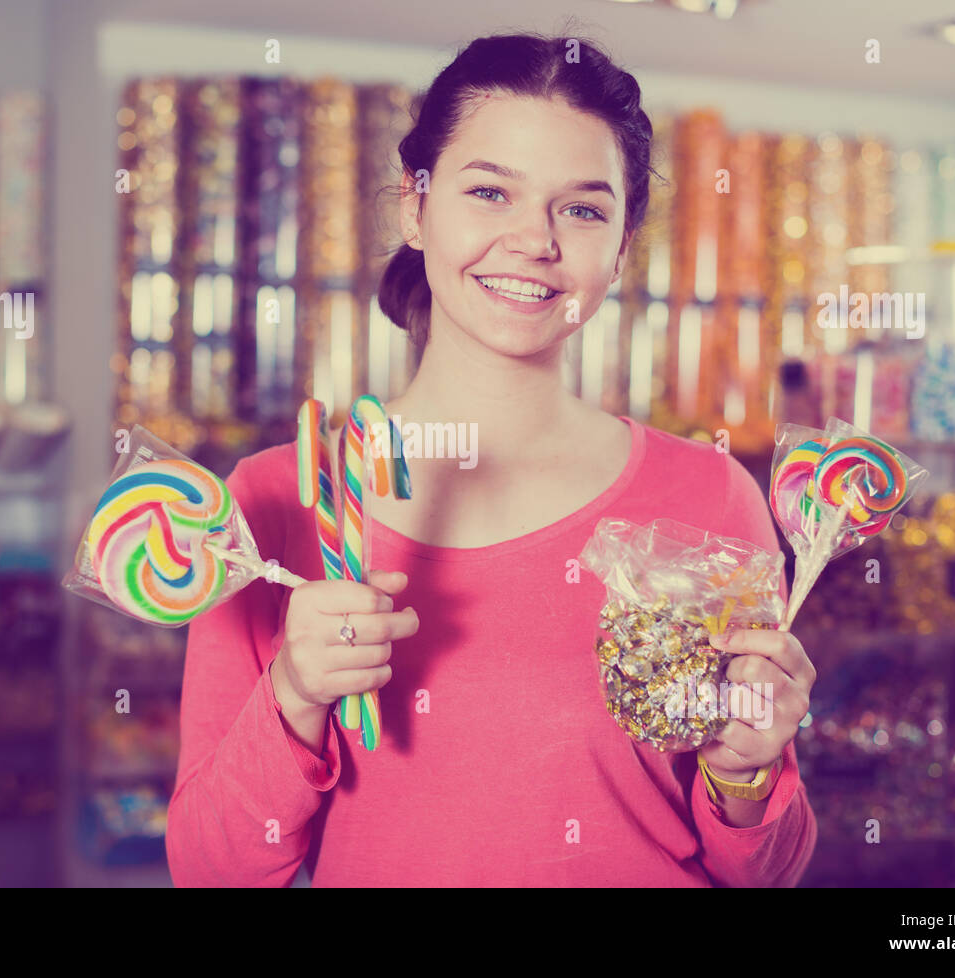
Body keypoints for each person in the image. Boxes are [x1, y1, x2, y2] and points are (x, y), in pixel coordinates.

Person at [167, 29, 818, 887]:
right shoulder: (274, 502)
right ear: (415, 205)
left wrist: (749, 767)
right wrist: (295, 692)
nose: (534, 241)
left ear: (620, 247)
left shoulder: (709, 496)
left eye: (582, 209)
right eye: (489, 192)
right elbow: (210, 871)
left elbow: (766, 873)